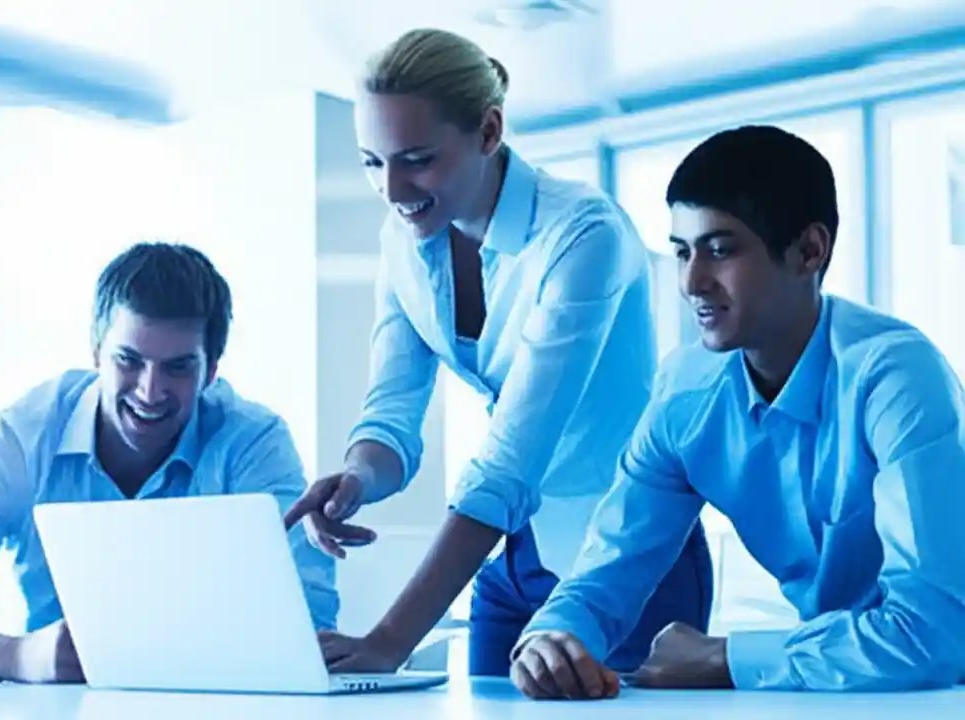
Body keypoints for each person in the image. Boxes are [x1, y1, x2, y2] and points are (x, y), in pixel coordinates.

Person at [282, 28, 712, 676]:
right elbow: (392, 412)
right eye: (373, 161)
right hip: (514, 551)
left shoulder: (583, 234)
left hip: (623, 560)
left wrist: (389, 640)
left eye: (417, 159)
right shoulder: (404, 240)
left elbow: (510, 460)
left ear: (488, 132)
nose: (392, 188)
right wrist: (358, 478)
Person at [511, 125, 965, 699]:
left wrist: (723, 658)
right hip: (854, 689)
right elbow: (606, 572)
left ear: (809, 251)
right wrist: (554, 637)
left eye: (720, 250)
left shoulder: (898, 378)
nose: (692, 282)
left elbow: (933, 636)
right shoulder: (685, 394)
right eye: (682, 251)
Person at [0, 242, 337, 683]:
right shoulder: (18, 441)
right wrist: (14, 656)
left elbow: (305, 634)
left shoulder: (253, 444)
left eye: (178, 367)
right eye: (128, 359)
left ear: (211, 369)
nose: (150, 390)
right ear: (95, 352)